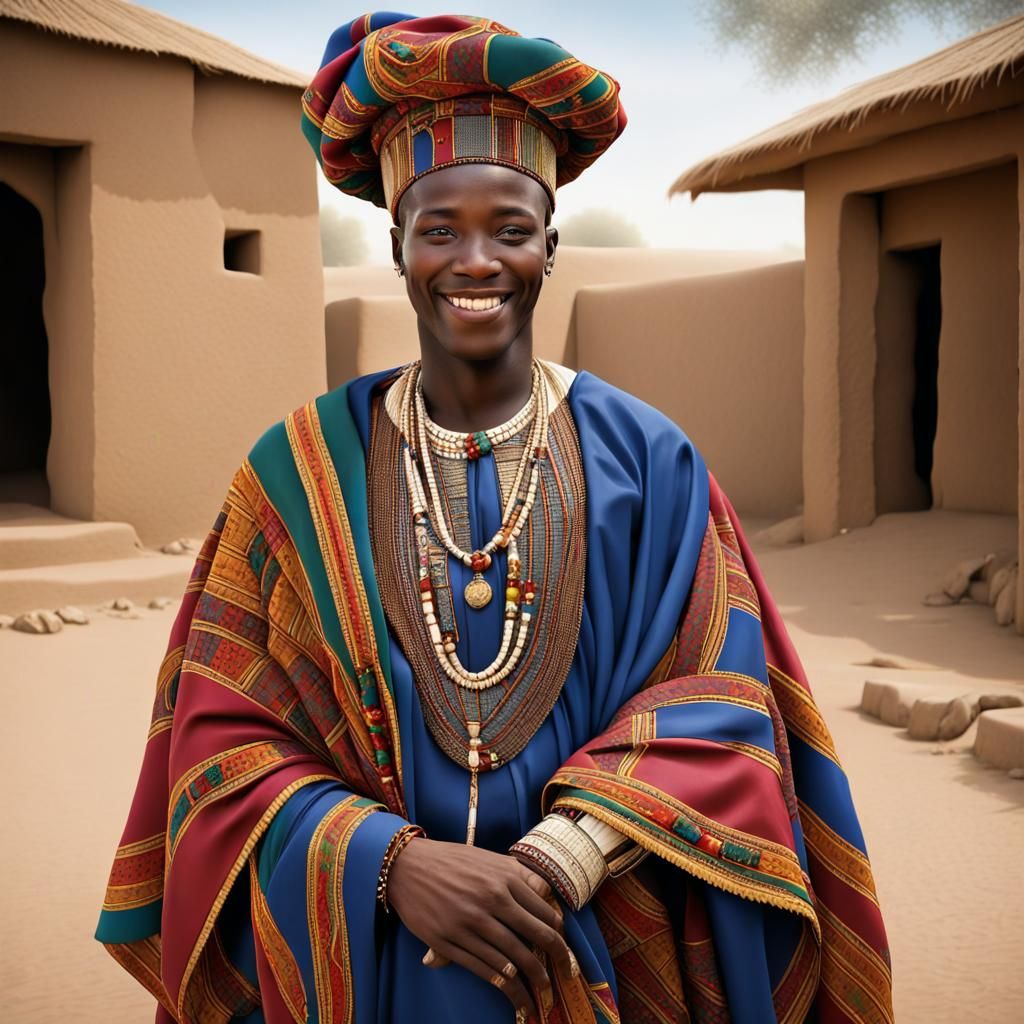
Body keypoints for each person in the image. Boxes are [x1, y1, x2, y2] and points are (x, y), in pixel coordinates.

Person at [96, 12, 893, 1024]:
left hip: (596, 933)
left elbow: (721, 693)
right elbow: (220, 740)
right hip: (373, 966)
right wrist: (389, 862)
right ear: (395, 245)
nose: (476, 259)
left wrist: (566, 854)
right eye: (440, 228)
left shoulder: (648, 461)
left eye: (509, 228)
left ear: (550, 245)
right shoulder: (291, 474)